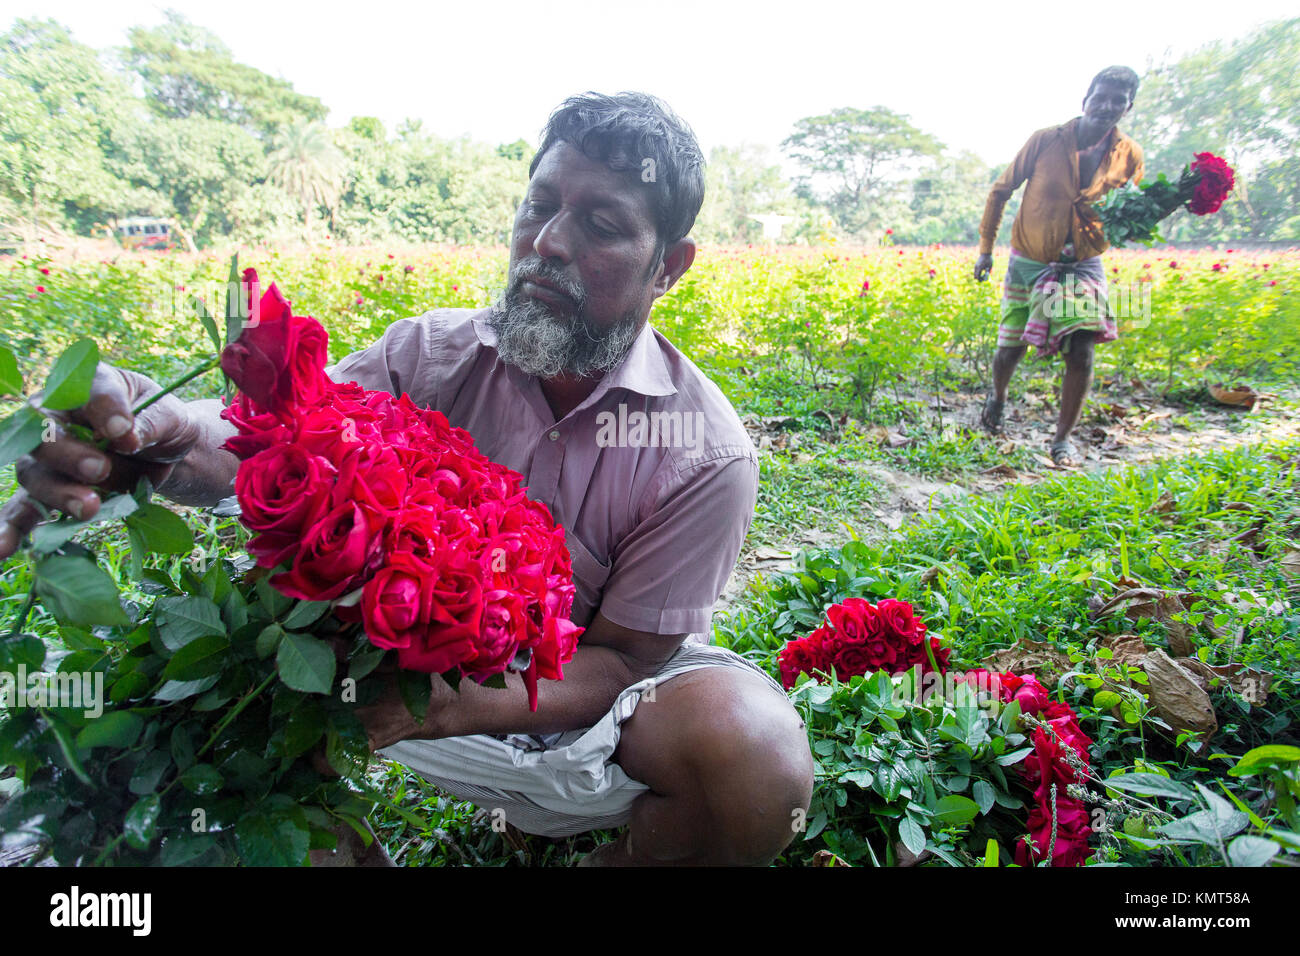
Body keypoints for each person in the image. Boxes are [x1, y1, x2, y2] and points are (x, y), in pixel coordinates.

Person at [0, 92, 813, 867]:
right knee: (235, 746)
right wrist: (162, 427)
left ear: (669, 266)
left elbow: (624, 664)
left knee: (758, 770)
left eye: (600, 224)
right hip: (389, 676)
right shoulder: (424, 358)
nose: (550, 243)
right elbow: (269, 441)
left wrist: (433, 704)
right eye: (539, 207)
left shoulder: (703, 452)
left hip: (577, 705)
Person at [973, 66, 1145, 467]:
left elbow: (1128, 212)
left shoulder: (1129, 155)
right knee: (1009, 347)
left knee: (1082, 349)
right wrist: (986, 248)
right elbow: (1001, 191)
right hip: (1029, 257)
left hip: (1083, 264)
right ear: (1085, 98)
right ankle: (998, 397)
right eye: (1100, 97)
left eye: (1117, 100)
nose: (1107, 106)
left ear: (1128, 106)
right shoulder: (1046, 140)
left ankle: (1061, 440)